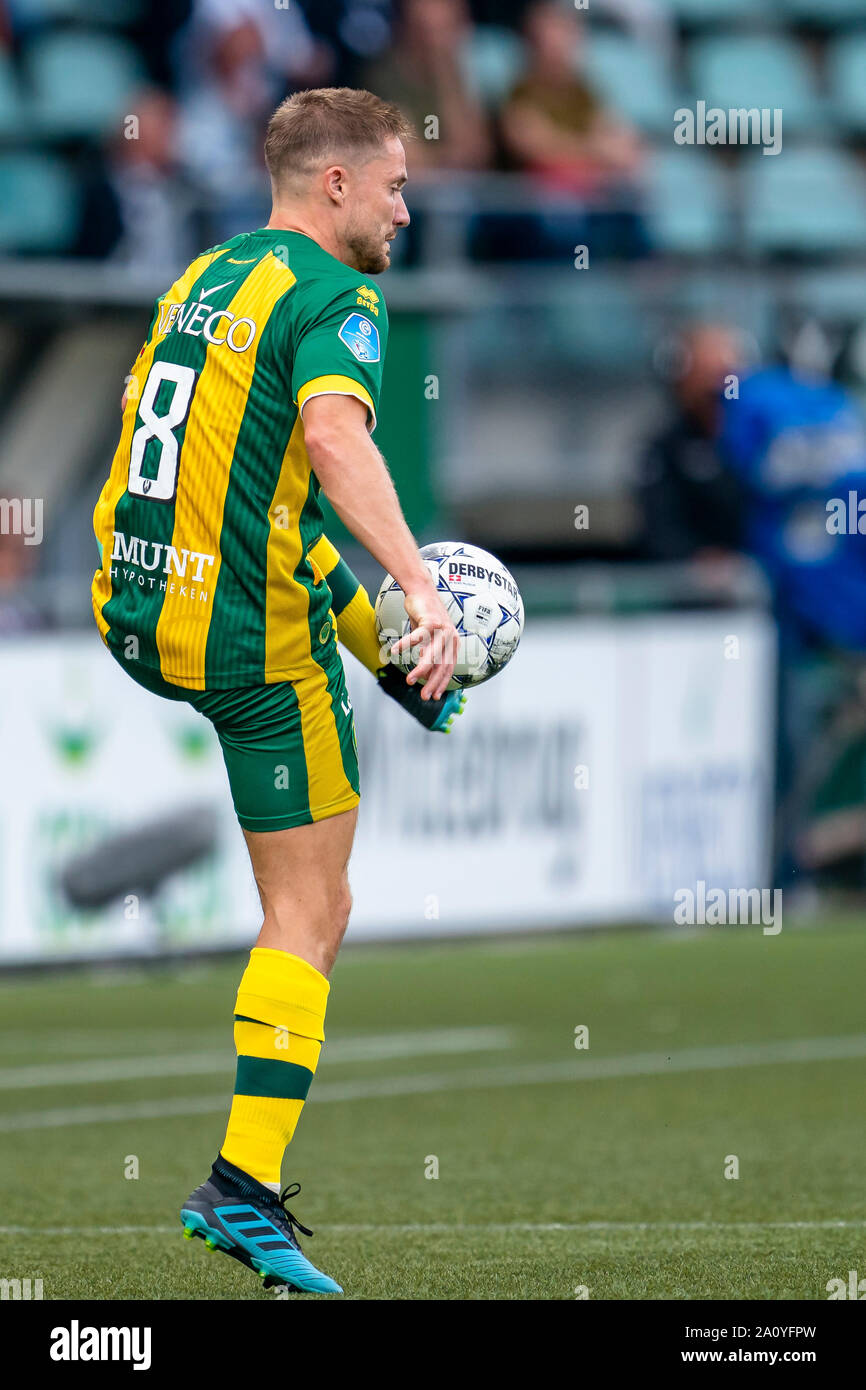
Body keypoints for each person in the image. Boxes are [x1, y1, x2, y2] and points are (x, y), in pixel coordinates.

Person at [91, 87, 461, 1295]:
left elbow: (268, 502)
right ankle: (242, 1185)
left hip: (134, 601)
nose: (404, 212)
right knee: (312, 910)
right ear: (335, 183)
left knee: (305, 884)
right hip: (241, 640)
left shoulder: (207, 276)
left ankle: (242, 1184)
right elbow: (337, 443)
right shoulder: (335, 296)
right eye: (394, 186)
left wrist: (380, 652)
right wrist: (418, 589)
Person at [638, 323, 744, 562]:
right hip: (690, 577)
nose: (717, 388)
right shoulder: (664, 449)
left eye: (727, 377)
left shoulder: (762, 443)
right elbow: (659, 527)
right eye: (707, 375)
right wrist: (699, 559)